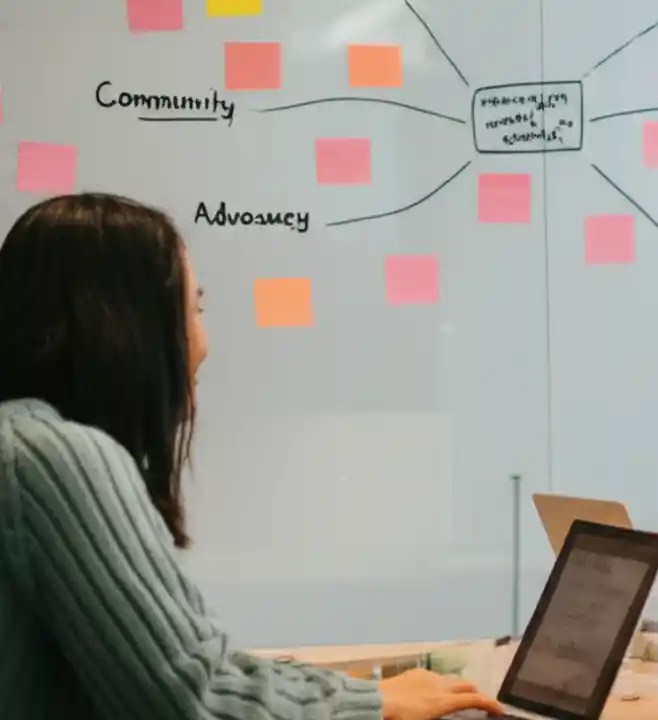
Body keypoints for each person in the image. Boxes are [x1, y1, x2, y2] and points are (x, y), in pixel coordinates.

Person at [0, 194, 506, 719]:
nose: (204, 343)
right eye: (193, 311)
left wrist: (356, 694)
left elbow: (197, 665)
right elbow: (195, 699)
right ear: (127, 328)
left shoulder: (26, 441)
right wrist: (376, 704)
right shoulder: (54, 459)